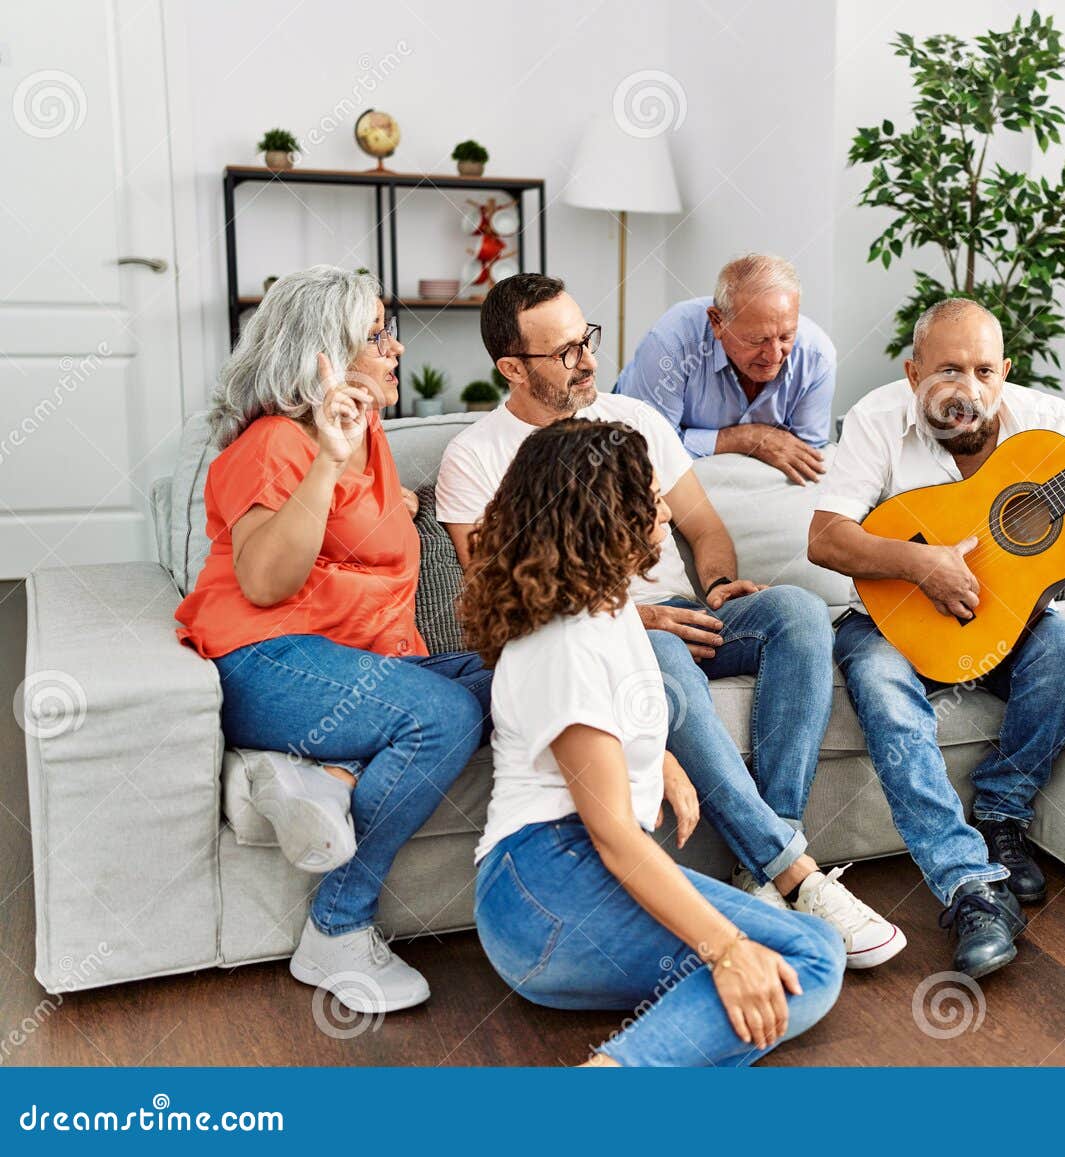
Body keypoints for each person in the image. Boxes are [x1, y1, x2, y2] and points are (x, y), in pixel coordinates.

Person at [435, 273, 903, 969]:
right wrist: (638, 615)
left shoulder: (637, 418)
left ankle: (768, 859)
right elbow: (503, 602)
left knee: (801, 612)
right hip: (602, 628)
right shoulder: (475, 456)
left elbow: (705, 527)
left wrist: (715, 584)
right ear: (512, 367)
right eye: (563, 352)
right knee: (664, 660)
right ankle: (794, 873)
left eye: (585, 339)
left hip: (688, 612)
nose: (587, 359)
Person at [807, 298, 1065, 979]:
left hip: (1002, 625)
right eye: (949, 370)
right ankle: (972, 890)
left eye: (984, 371)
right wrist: (919, 562)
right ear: (912, 372)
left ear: (1006, 372)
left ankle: (1001, 815)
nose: (968, 390)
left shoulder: (1050, 423)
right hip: (890, 623)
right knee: (878, 684)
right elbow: (824, 537)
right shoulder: (877, 419)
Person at [461, 418, 844, 1066]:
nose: (665, 509)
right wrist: (726, 947)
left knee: (788, 956)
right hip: (545, 889)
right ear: (607, 513)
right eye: (650, 495)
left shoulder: (602, 610)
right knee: (805, 954)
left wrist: (657, 754)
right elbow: (613, 838)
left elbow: (595, 725)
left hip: (551, 886)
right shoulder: (570, 640)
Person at [174, 265, 493, 1015]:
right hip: (267, 658)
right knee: (441, 715)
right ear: (324, 350)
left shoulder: (369, 434)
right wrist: (324, 461)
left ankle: (332, 772)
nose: (397, 346)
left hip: (356, 663)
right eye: (377, 333)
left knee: (505, 674)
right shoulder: (275, 444)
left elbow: (362, 540)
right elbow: (263, 582)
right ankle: (336, 926)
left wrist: (389, 492)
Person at [616, 253, 834, 484]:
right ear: (717, 322)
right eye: (757, 340)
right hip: (639, 467)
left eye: (786, 336)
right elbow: (646, 451)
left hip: (749, 485)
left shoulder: (817, 356)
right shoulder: (671, 343)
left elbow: (806, 459)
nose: (774, 355)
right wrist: (743, 439)